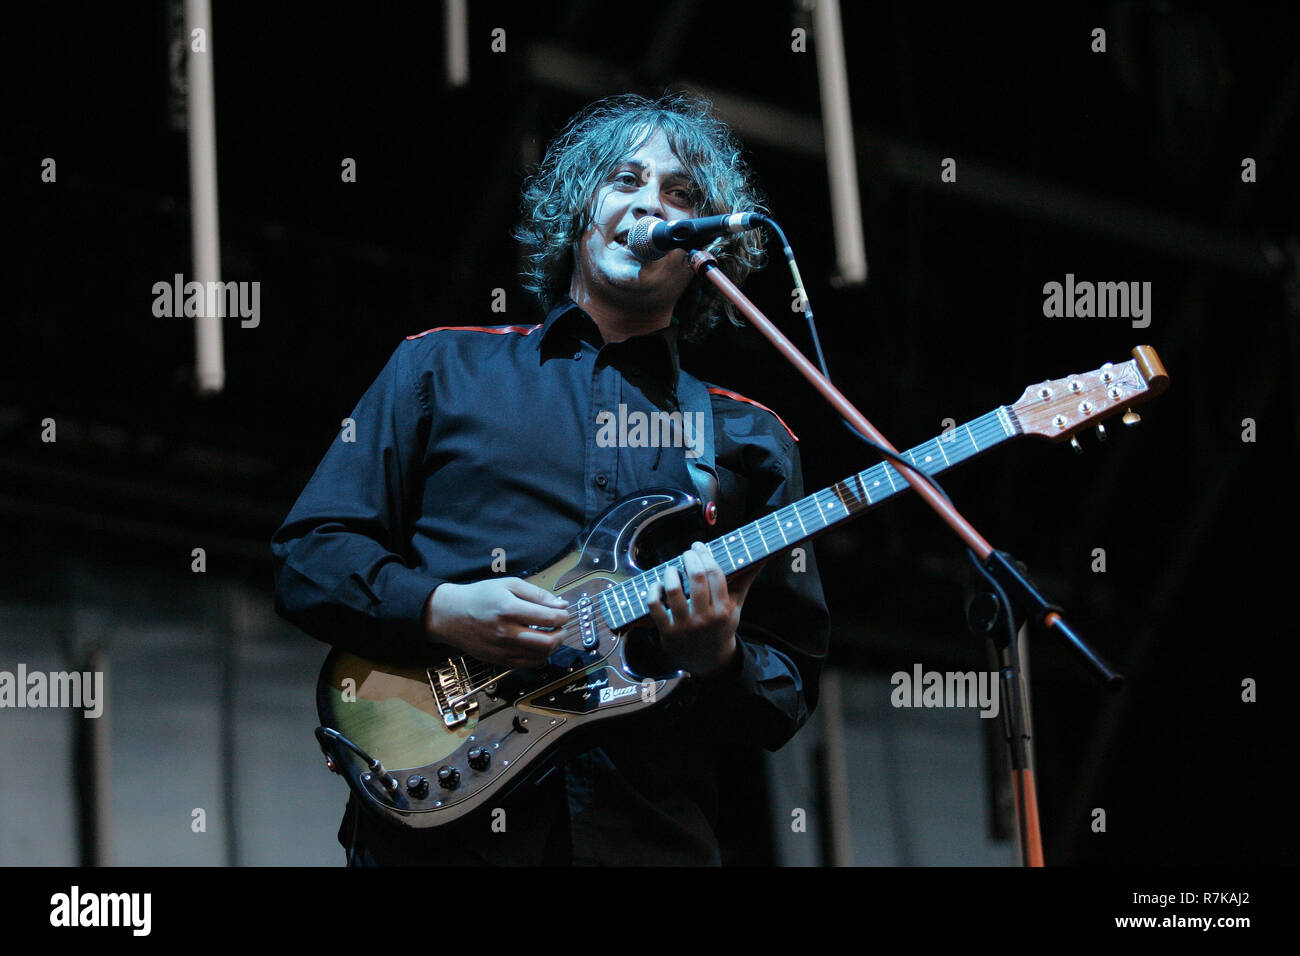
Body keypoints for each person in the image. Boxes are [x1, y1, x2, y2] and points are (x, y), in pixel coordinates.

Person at [271, 92, 829, 865]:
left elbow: (788, 689)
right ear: (579, 207)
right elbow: (308, 557)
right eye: (625, 180)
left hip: (647, 839)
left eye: (681, 194)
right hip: (441, 841)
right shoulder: (440, 367)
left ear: (704, 246)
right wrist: (441, 609)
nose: (652, 204)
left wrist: (721, 659)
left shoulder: (750, 440)